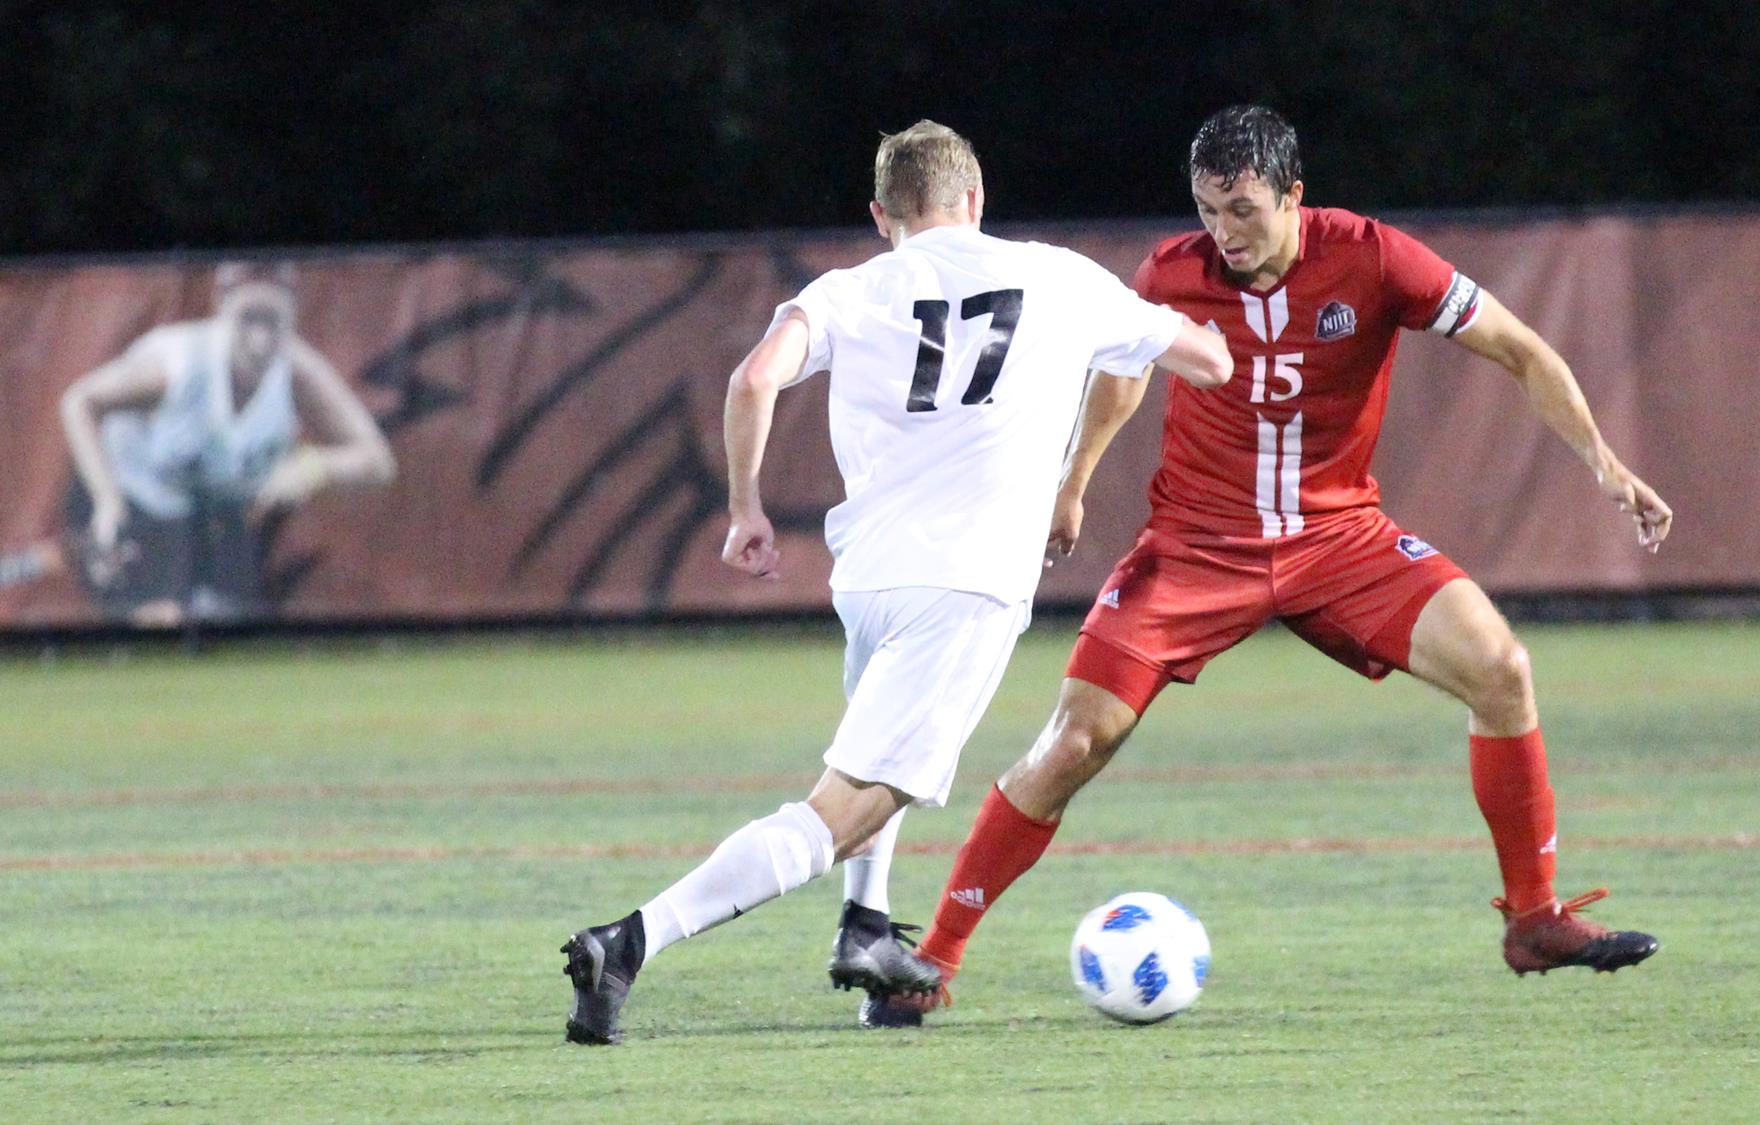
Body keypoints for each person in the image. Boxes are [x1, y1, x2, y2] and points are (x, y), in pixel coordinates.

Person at [885, 105, 1675, 1022]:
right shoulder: (1172, 273)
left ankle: (1534, 918)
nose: (1224, 233)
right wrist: (1075, 481)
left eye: (1243, 210)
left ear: (1293, 195)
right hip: (1196, 548)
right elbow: (1125, 371)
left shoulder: (1375, 258)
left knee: (1502, 669)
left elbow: (1520, 349)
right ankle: (932, 960)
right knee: (1072, 742)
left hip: (1340, 540)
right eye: (1207, 210)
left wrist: (1605, 464)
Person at [558, 120, 1231, 1045]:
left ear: (882, 216)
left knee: (881, 768)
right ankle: (630, 941)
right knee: (840, 811)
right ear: (977, 198)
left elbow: (753, 379)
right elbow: (1205, 361)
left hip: (871, 580)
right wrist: (1197, 337)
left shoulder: (847, 290)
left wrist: (745, 507)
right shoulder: (1060, 278)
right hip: (968, 583)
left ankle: (866, 926)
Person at [58, 262, 396, 624]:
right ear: (222, 310)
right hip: (133, 507)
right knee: (160, 624)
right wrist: (107, 501)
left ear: (292, 316)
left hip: (213, 517)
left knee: (226, 623)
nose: (260, 339)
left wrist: (313, 467)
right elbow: (80, 402)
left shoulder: (297, 369)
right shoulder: (179, 365)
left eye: (272, 321)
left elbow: (377, 460)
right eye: (249, 319)